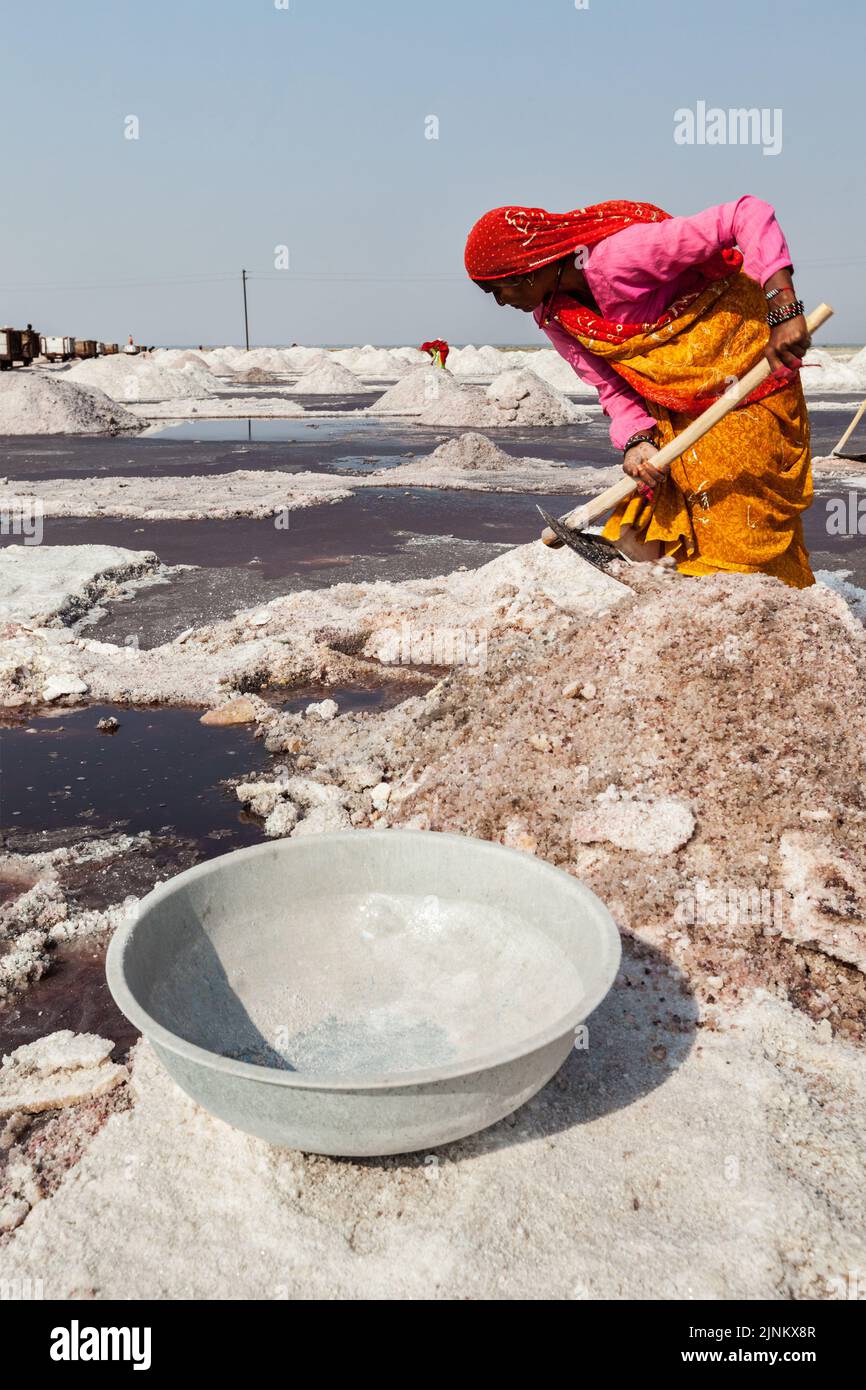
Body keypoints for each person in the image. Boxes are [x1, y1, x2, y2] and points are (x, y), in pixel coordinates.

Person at [464, 197, 814, 586]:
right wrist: (636, 439)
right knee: (664, 499)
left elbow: (746, 213)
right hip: (672, 400)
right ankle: (694, 602)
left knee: (736, 501)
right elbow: (609, 384)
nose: (500, 302)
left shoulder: (623, 256)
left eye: (499, 289)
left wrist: (784, 308)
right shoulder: (554, 314)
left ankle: (761, 605)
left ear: (527, 270)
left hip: (751, 374)